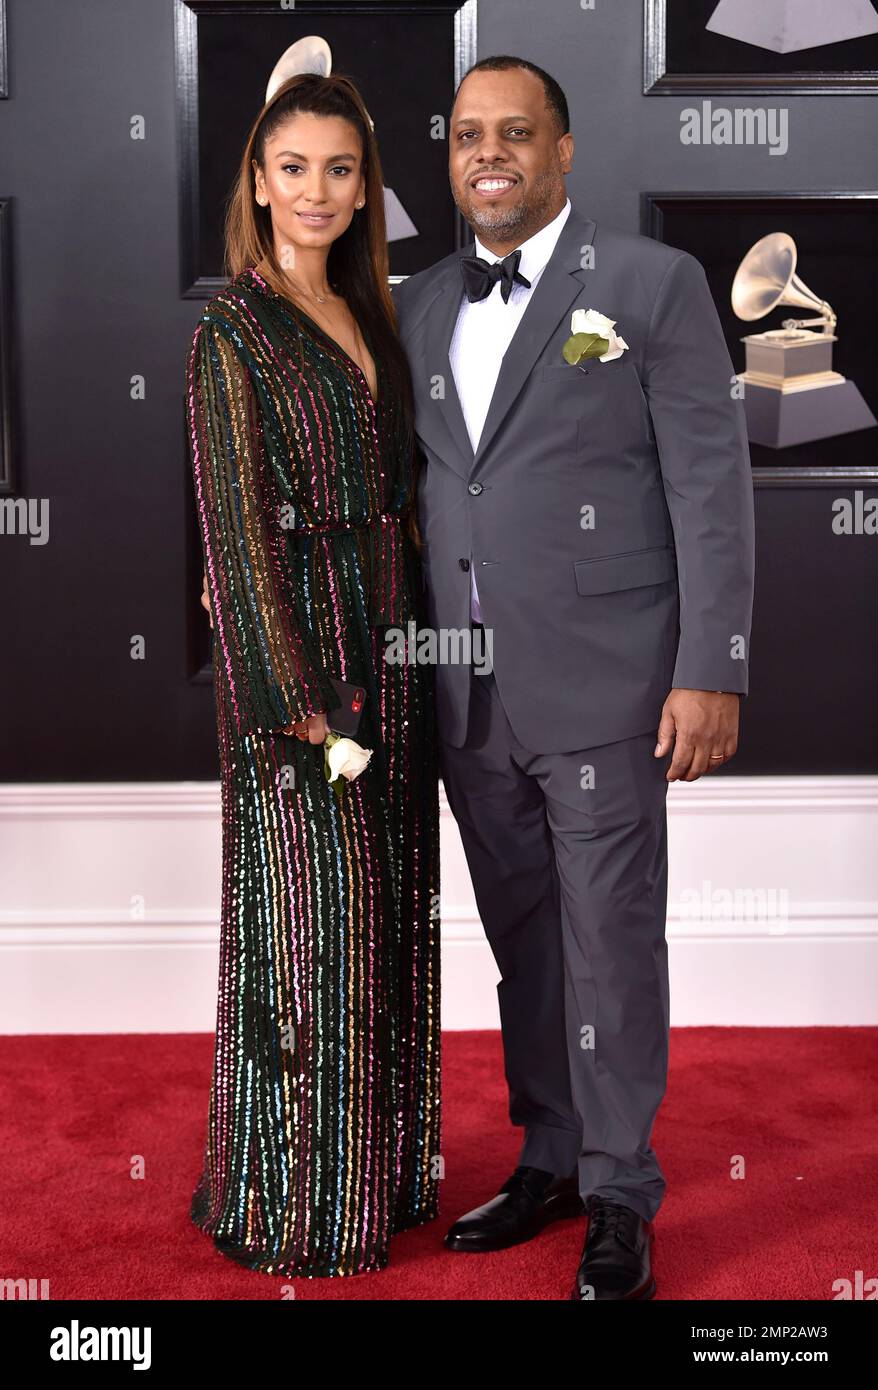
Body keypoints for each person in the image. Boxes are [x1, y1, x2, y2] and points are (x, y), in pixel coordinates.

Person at [392, 55, 755, 1300]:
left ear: (560, 151)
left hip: (610, 681)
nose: (487, 154)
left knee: (608, 940)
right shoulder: (420, 300)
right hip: (465, 687)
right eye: (467, 137)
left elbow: (710, 487)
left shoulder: (650, 285)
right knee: (526, 938)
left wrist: (711, 665)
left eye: (515, 134)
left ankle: (617, 1190)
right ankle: (546, 1151)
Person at [187, 71, 440, 1279]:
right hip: (302, 679)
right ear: (256, 180)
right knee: (311, 934)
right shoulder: (230, 331)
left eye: (341, 169)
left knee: (378, 924)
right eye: (295, 168)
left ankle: (371, 1183)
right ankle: (299, 1206)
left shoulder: (367, 314)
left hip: (391, 651)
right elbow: (234, 539)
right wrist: (301, 710)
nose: (319, 192)